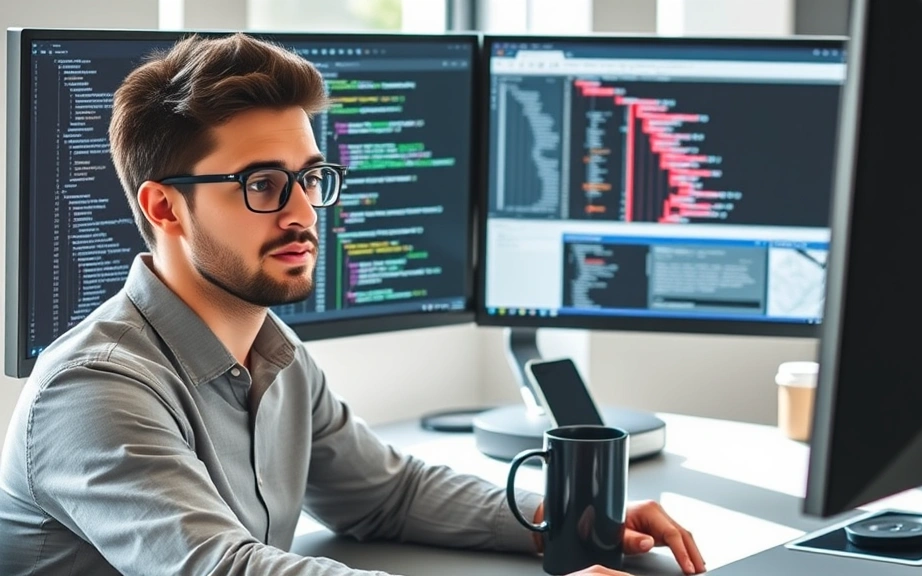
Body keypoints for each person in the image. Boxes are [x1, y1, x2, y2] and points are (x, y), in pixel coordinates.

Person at [0, 32, 706, 576]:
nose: (304, 212)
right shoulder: (94, 387)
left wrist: (564, 518)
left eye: (311, 178)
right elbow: (223, 566)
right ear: (165, 206)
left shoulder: (273, 354)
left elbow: (385, 494)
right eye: (263, 183)